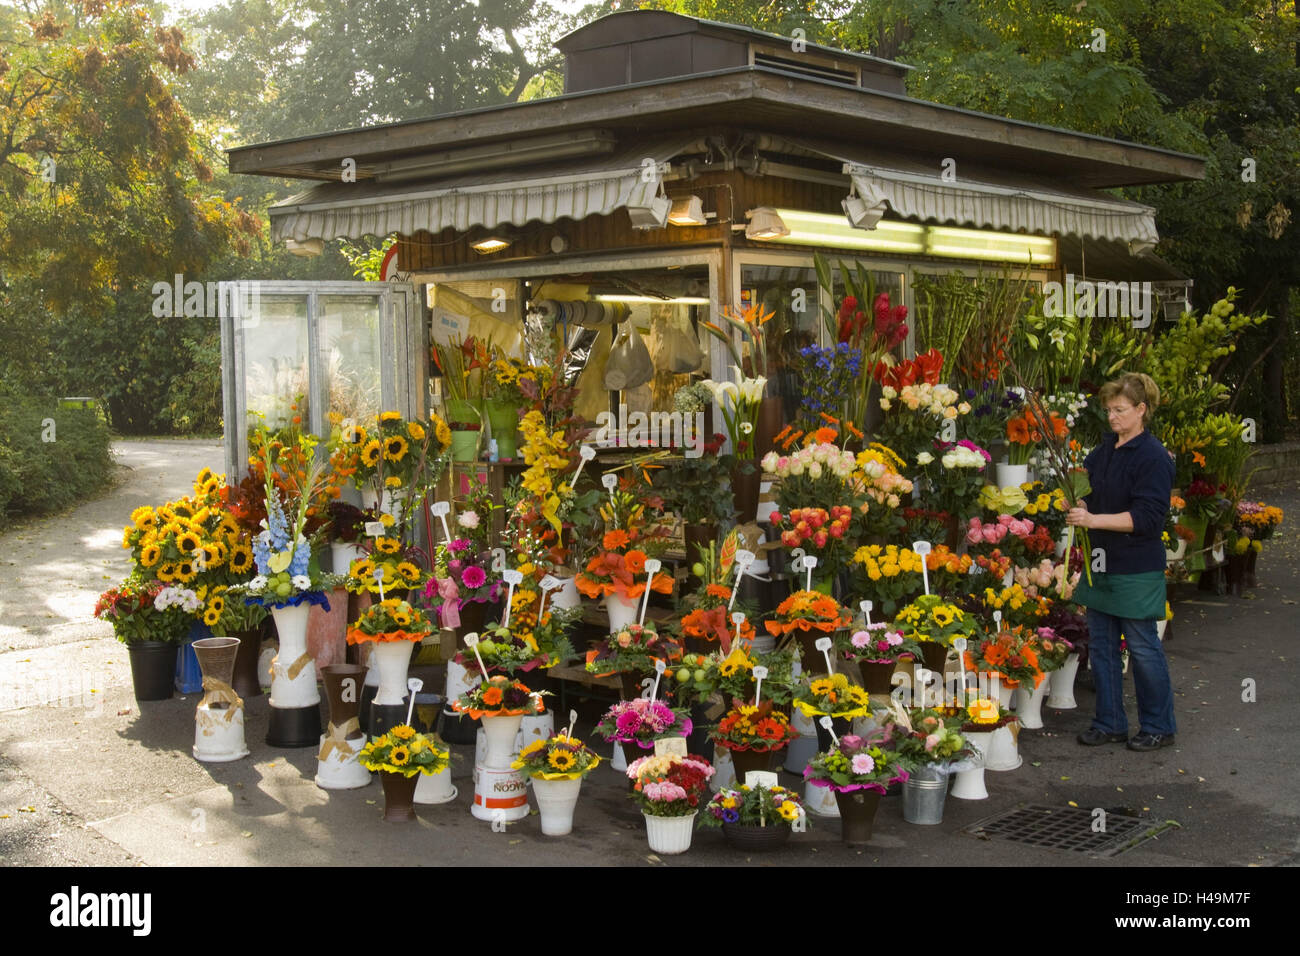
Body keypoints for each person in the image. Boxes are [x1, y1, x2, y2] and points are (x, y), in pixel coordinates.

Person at [1066, 372, 1176, 751]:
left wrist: (1093, 520)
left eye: (1120, 410)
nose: (1112, 417)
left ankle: (1159, 726)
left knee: (1142, 648)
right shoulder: (1104, 451)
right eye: (1109, 410)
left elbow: (1147, 518)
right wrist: (1079, 503)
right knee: (1102, 646)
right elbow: (1093, 495)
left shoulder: (1154, 457)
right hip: (1100, 562)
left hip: (1136, 565)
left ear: (1141, 409)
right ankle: (1109, 722)